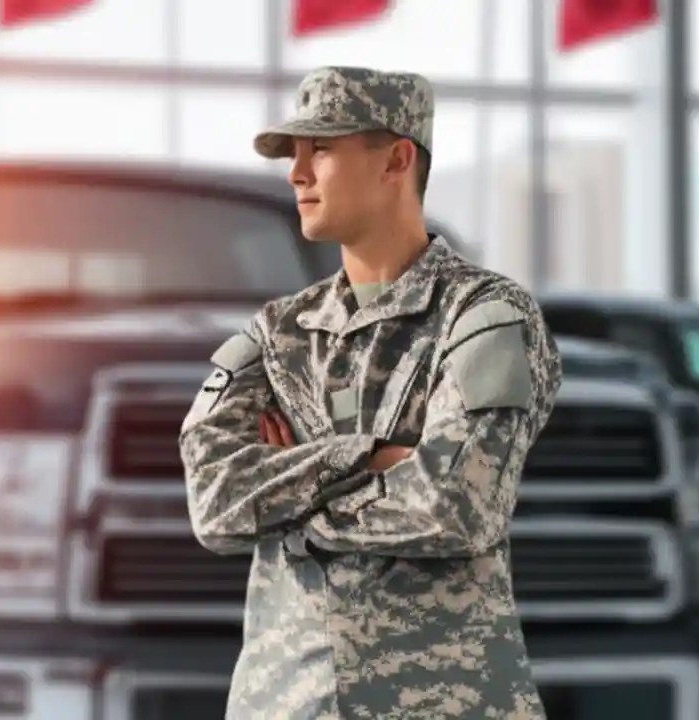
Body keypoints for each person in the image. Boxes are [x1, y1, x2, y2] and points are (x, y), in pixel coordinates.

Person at [178, 65, 562, 719]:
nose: (298, 173)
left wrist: (285, 505)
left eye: (322, 148)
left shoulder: (487, 315)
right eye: (295, 154)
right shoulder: (274, 334)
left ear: (396, 159)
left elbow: (457, 505)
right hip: (287, 700)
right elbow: (214, 503)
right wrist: (362, 457)